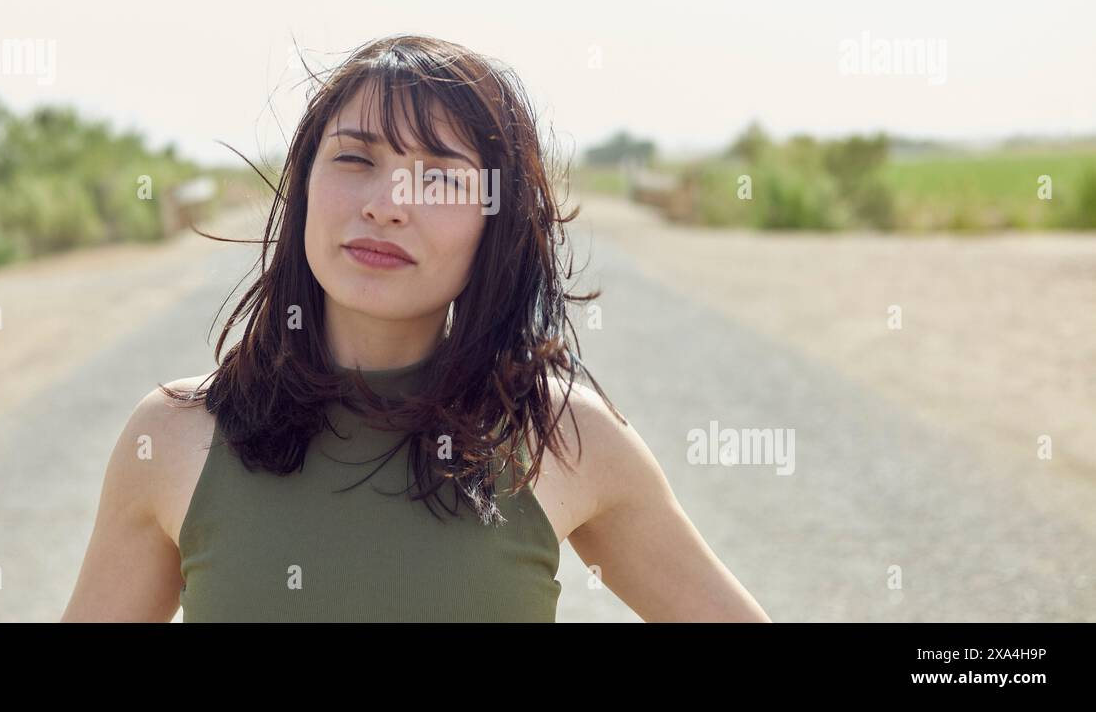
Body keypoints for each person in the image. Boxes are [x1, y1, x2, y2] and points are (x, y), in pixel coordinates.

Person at [62, 34, 771, 622]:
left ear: (497, 223)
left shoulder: (559, 438)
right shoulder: (175, 439)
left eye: (439, 178)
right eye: (355, 158)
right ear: (304, 183)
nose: (386, 205)